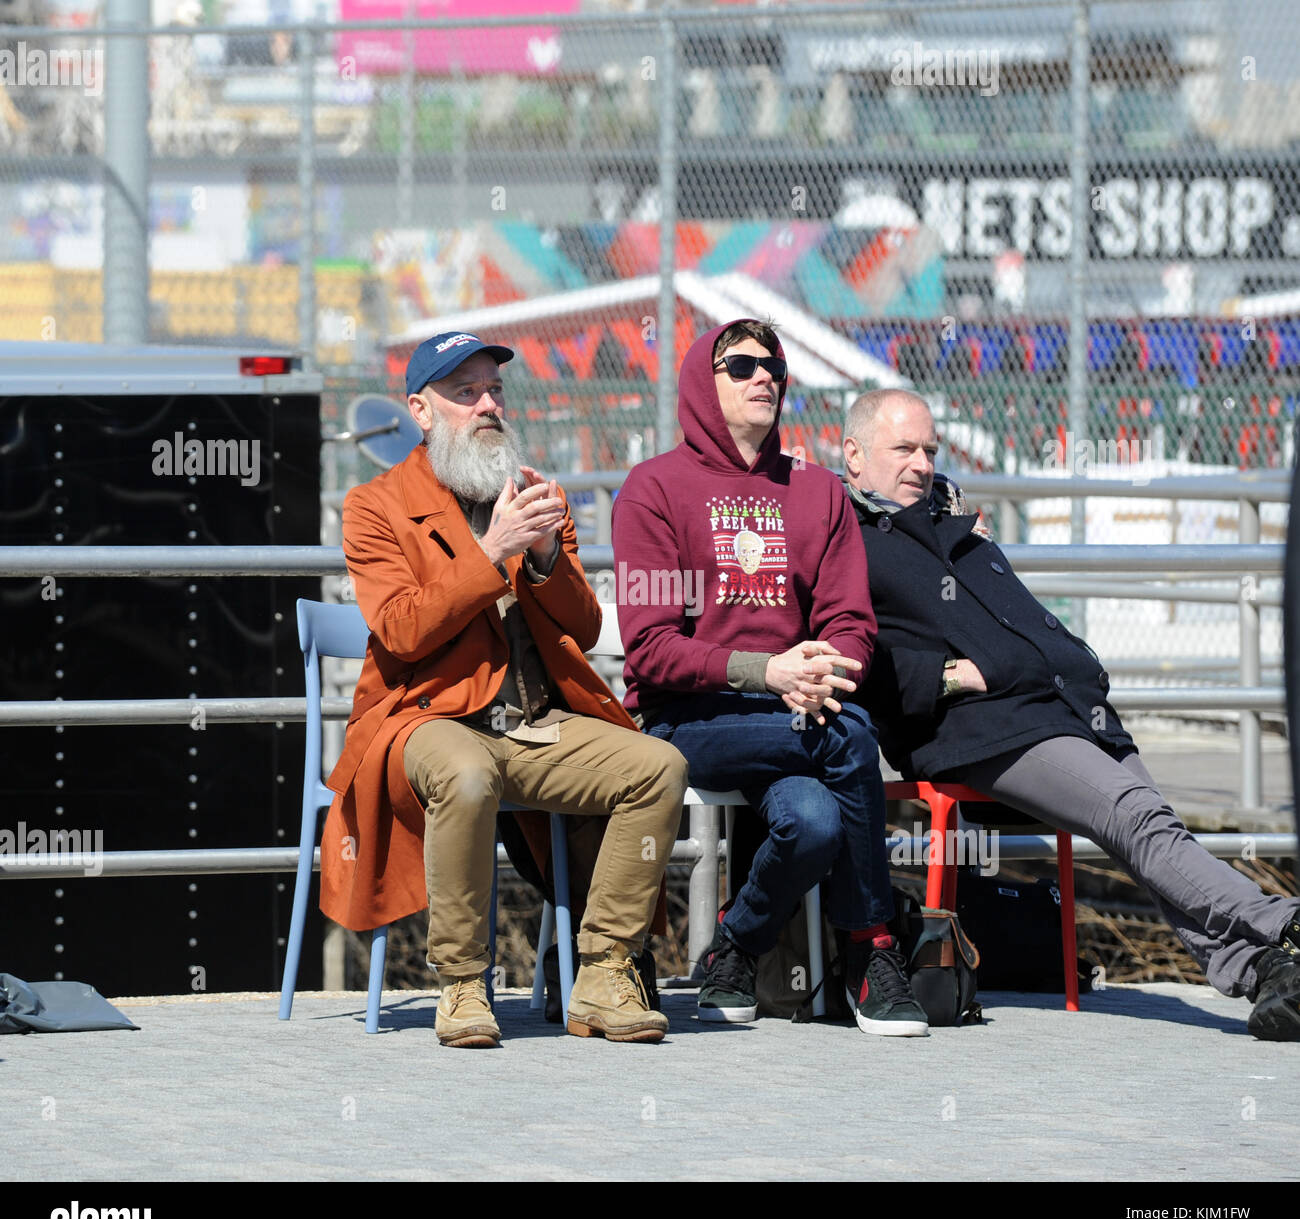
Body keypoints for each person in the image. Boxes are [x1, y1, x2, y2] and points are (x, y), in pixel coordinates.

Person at [842, 387, 1300, 1041]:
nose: (921, 461)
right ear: (854, 455)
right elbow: (854, 656)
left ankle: (1271, 975)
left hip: (1065, 705)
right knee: (1138, 819)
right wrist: (952, 675)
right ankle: (1284, 923)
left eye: (930, 449)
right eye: (903, 448)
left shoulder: (955, 524)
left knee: (1150, 833)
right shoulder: (845, 540)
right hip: (981, 726)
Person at [320, 331, 688, 1047]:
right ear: (420, 412)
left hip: (536, 723)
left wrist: (547, 555)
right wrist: (491, 552)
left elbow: (580, 626)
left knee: (658, 767)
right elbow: (399, 630)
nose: (488, 405)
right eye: (466, 393)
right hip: (426, 720)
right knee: (466, 770)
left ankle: (605, 971)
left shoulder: (531, 493)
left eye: (495, 391)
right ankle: (461, 984)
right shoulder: (375, 506)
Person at [613, 319, 929, 1037]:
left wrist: (824, 667)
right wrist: (768, 670)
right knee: (853, 734)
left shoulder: (818, 493)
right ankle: (871, 947)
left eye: (776, 367)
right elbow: (650, 651)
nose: (766, 376)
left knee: (813, 821)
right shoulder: (654, 487)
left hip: (801, 714)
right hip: (687, 719)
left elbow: (853, 621)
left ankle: (735, 946)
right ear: (704, 379)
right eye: (743, 364)